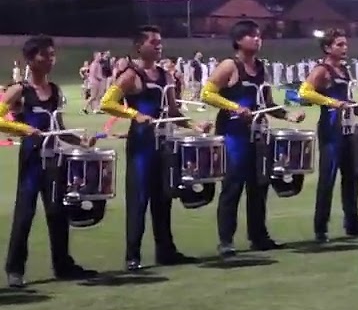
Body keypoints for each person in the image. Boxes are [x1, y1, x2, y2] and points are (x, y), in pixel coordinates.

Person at [100, 25, 209, 270]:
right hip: (142, 142)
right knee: (138, 199)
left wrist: (194, 125)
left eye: (160, 42)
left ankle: (166, 250)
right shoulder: (131, 74)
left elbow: (172, 110)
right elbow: (107, 102)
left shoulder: (166, 75)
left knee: (164, 197)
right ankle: (132, 256)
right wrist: (134, 114)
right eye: (154, 42)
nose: (159, 46)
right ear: (140, 46)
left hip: (165, 142)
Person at [200, 20, 305, 257]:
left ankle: (258, 236)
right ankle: (225, 240)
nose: (257, 39)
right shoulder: (230, 65)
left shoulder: (261, 68)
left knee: (260, 186)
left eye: (259, 36)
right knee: (232, 187)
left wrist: (288, 115)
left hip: (258, 135)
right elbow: (207, 93)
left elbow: (266, 104)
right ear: (238, 41)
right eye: (251, 36)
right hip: (233, 135)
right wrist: (234, 107)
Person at [0, 35, 99, 287]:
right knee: (25, 213)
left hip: (55, 159)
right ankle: (15, 270)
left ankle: (63, 264)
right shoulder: (20, 90)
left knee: (57, 212)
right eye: (45, 55)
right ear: (31, 59)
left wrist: (79, 141)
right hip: (33, 159)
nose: (50, 60)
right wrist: (23, 130)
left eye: (52, 55)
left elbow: (59, 127)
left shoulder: (54, 90)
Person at [299, 28, 358, 243]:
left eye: (345, 44)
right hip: (330, 129)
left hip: (348, 128)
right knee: (327, 179)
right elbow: (304, 92)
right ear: (327, 48)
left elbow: (349, 101)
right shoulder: (322, 70)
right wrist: (331, 102)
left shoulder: (344, 71)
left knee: (352, 177)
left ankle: (352, 222)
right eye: (339, 44)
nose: (344, 48)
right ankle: (321, 228)